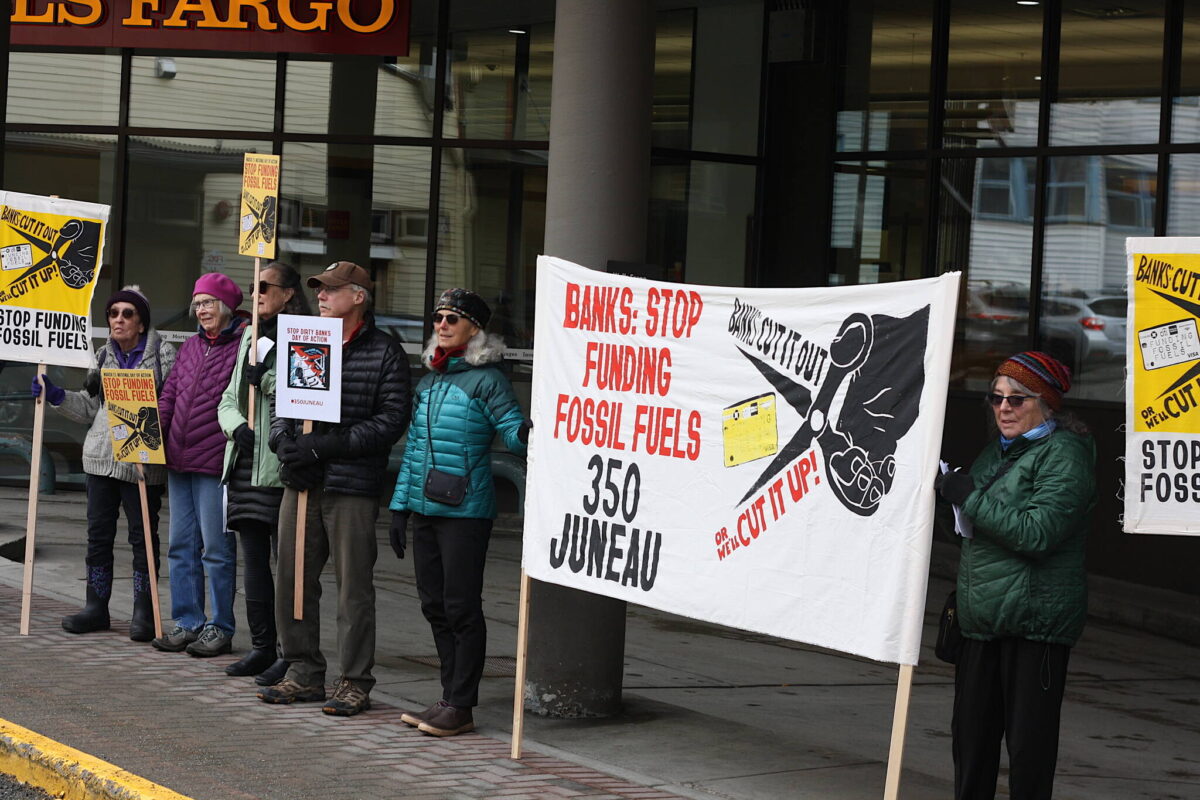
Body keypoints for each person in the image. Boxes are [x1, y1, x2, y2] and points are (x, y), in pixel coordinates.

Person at [936, 351, 1096, 800]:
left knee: (1028, 754)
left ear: (1045, 403)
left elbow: (1037, 534)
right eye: (996, 398)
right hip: (981, 623)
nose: (1004, 407)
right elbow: (977, 532)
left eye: (1017, 399)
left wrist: (971, 498)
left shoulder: (1065, 455)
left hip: (1034, 624)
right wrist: (948, 500)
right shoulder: (996, 452)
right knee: (971, 745)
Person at [258, 260, 411, 717]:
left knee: (353, 590)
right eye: (319, 290)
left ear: (358, 297)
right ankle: (302, 670)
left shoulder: (385, 351)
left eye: (331, 290)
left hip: (351, 486)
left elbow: (390, 421)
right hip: (302, 484)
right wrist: (286, 445)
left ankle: (354, 681)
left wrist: (324, 447)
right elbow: (282, 402)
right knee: (293, 580)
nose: (321, 296)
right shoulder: (306, 341)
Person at [388, 288, 529, 737]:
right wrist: (399, 508)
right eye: (438, 317)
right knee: (433, 605)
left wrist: (530, 431)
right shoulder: (430, 380)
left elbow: (512, 431)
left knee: (461, 607)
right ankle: (448, 697)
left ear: (475, 329)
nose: (442, 324)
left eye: (453, 318)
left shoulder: (488, 380)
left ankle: (461, 706)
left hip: (466, 511)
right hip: (425, 507)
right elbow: (413, 451)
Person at [32, 286, 176, 640]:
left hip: (142, 461)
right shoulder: (101, 356)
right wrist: (56, 395)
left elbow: (173, 405)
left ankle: (145, 611)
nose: (119, 320)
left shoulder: (163, 356)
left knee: (144, 539)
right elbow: (88, 407)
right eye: (113, 314)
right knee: (98, 537)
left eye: (127, 314)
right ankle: (96, 607)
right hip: (100, 460)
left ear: (141, 322)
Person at [217, 262, 310, 684]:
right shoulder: (249, 334)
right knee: (252, 560)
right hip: (243, 463)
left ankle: (289, 652)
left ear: (288, 293)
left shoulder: (305, 335)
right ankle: (260, 646)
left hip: (277, 466)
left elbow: (307, 394)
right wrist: (236, 426)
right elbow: (227, 397)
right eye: (251, 286)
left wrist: (268, 379)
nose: (255, 293)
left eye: (264, 286)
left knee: (285, 564)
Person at [152, 273, 246, 657]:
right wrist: (146, 430)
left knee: (217, 549)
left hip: (216, 462)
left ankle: (220, 626)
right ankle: (188, 621)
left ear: (225, 306)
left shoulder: (244, 347)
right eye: (198, 304)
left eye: (208, 302)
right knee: (180, 546)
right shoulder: (191, 347)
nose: (201, 310)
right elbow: (170, 394)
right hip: (179, 458)